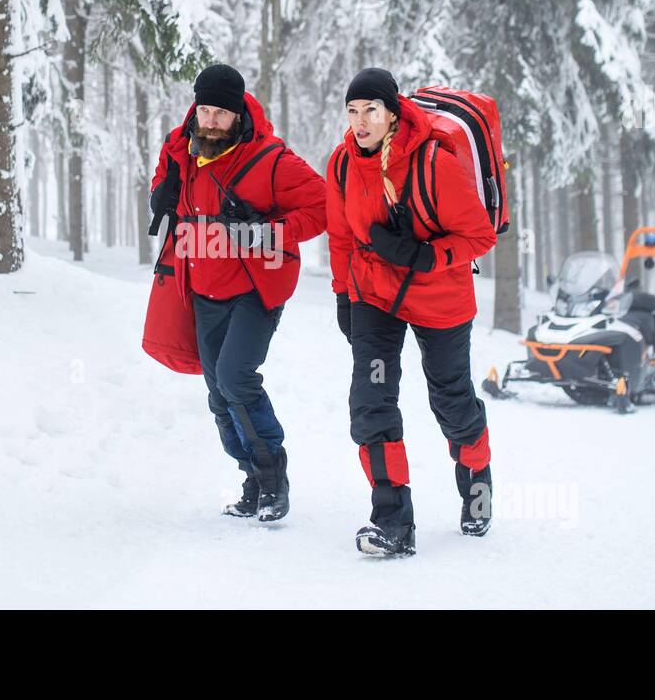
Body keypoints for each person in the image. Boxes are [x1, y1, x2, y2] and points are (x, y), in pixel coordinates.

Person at [325, 67, 498, 556]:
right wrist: (344, 294)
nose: (360, 122)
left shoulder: (433, 164)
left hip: (439, 298)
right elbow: (340, 238)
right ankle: (393, 522)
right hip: (375, 297)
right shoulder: (341, 164)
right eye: (353, 112)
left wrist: (425, 256)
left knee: (452, 403)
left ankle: (478, 490)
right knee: (371, 400)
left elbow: (479, 235)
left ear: (392, 112)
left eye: (371, 111)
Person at [149, 63, 326, 521]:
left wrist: (267, 230)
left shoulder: (269, 159)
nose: (209, 121)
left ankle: (274, 477)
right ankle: (252, 478)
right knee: (216, 393)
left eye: (219, 114)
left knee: (234, 378)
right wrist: (162, 190)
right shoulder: (183, 149)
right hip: (203, 289)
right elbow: (164, 184)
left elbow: (322, 205)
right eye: (203, 110)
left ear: (238, 117)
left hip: (255, 289)